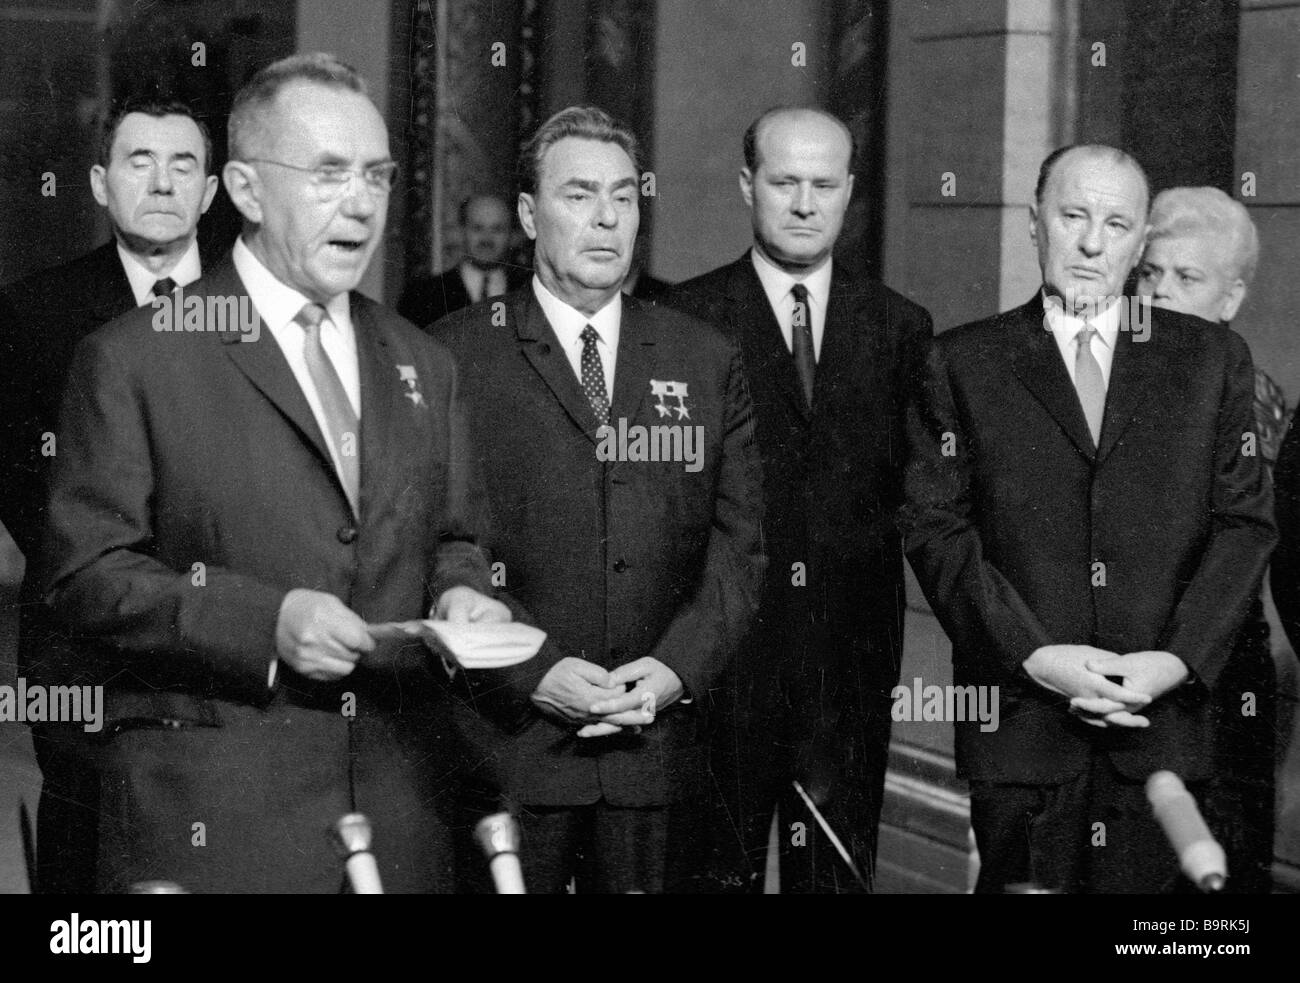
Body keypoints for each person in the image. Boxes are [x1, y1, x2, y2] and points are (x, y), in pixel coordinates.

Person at [37, 52, 508, 893]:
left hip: (402, 815)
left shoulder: (424, 362)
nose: (360, 202)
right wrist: (268, 619)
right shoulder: (133, 359)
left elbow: (455, 538)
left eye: (377, 174)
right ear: (248, 192)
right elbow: (88, 576)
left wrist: (459, 591)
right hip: (219, 825)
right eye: (328, 174)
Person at [903, 144, 1276, 893]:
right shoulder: (961, 362)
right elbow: (937, 532)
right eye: (1073, 216)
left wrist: (1170, 663)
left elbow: (1246, 527)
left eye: (1117, 222)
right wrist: (1041, 659)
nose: (1093, 242)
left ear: (1140, 242)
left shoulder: (1211, 361)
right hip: (1023, 731)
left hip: (1164, 728)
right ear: (1034, 222)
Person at [428, 105, 765, 894]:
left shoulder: (705, 359)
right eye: (578, 195)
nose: (607, 217)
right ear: (527, 214)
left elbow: (740, 549)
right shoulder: (451, 352)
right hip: (509, 749)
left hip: (659, 755)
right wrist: (535, 671)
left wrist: (672, 672)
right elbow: (439, 543)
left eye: (624, 195)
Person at [666, 106, 932, 893]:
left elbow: (921, 502)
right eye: (785, 182)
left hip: (849, 663)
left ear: (851, 191)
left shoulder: (900, 329)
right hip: (720, 662)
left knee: (839, 881)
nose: (805, 203)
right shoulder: (684, 319)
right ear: (748, 185)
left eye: (824, 184)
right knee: (714, 874)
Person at [0, 96, 218, 894]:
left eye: (183, 164)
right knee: (83, 870)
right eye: (139, 161)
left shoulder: (261, 309)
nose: (162, 182)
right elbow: (22, 479)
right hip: (81, 644)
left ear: (213, 190)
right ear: (98, 182)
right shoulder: (36, 311)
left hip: (223, 639)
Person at [1135, 186, 1279, 894]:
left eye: (1188, 279)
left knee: (1210, 889)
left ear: (1231, 298)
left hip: (1218, 681)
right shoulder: (1097, 384)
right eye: (1150, 273)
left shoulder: (1254, 401)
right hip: (1114, 673)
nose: (1162, 294)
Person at [398, 193, 527, 324]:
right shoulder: (422, 296)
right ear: (461, 231)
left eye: (497, 229)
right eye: (477, 228)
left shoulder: (530, 295)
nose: (487, 239)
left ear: (513, 235)